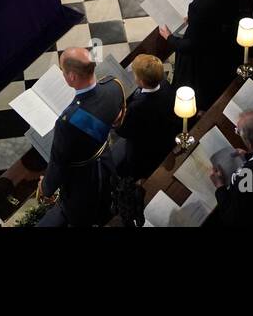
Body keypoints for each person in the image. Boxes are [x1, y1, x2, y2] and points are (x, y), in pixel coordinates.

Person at [37, 47, 127, 227]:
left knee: (81, 215)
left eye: (63, 71)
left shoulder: (67, 121)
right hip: (106, 162)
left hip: (82, 181)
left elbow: (58, 163)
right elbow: (118, 119)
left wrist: (45, 189)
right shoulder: (113, 85)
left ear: (71, 77)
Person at [159, 0, 245, 111]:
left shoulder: (201, 4)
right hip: (223, 41)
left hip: (202, 58)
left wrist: (170, 38)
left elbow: (192, 45)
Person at [107, 53, 178, 226]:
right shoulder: (166, 86)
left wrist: (116, 122)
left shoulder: (138, 107)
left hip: (143, 152)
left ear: (140, 81)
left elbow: (124, 130)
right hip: (164, 139)